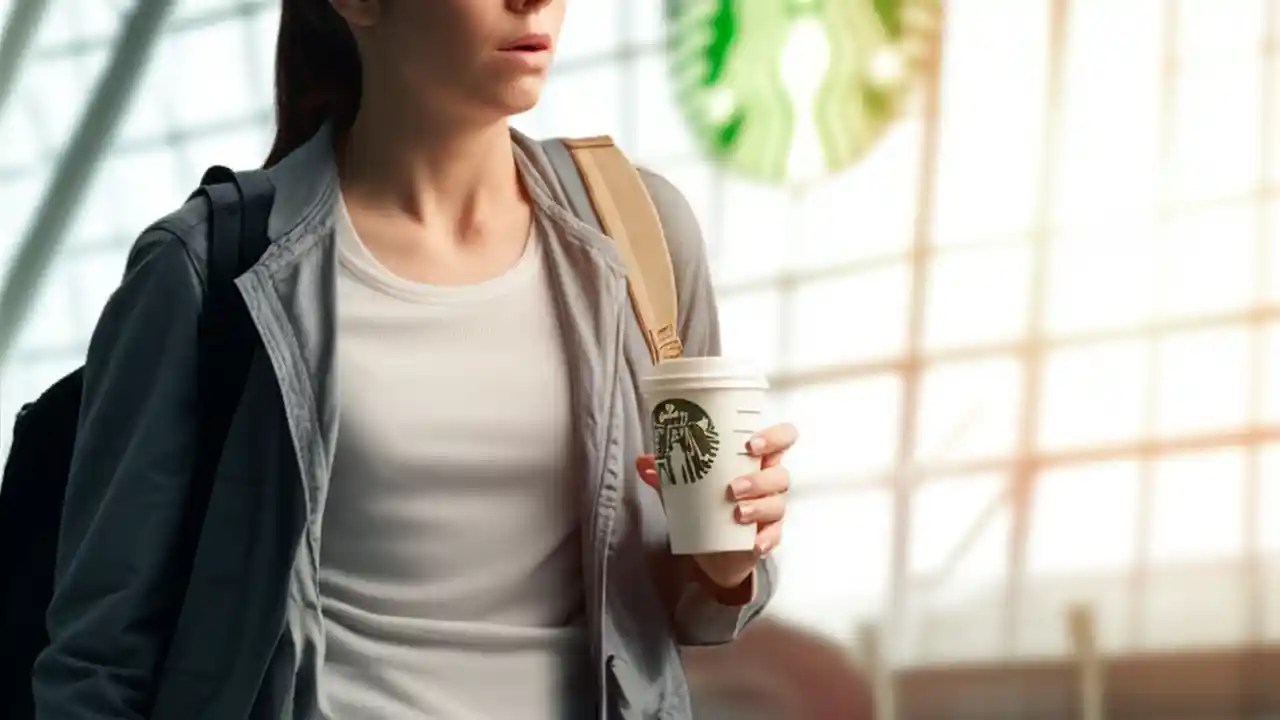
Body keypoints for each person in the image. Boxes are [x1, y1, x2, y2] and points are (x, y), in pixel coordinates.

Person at [31, 1, 798, 718]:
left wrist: (727, 559)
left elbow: (695, 612)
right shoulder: (209, 271)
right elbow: (98, 658)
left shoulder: (640, 235)